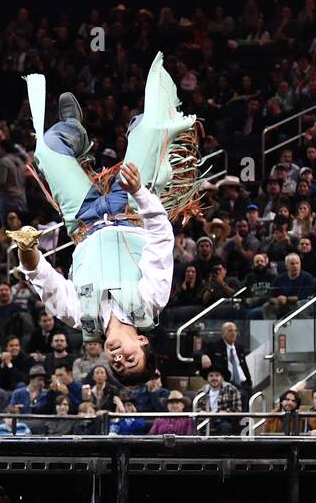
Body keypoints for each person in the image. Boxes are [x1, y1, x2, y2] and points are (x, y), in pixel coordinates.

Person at [11, 55, 195, 385]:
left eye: (118, 365)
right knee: (149, 127)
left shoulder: (80, 316)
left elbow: (44, 281)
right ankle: (137, 128)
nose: (118, 357)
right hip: (131, 208)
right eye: (131, 359)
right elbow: (162, 236)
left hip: (84, 219)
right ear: (143, 341)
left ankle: (74, 133)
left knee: (47, 150)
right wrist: (139, 191)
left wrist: (26, 251)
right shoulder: (150, 301)